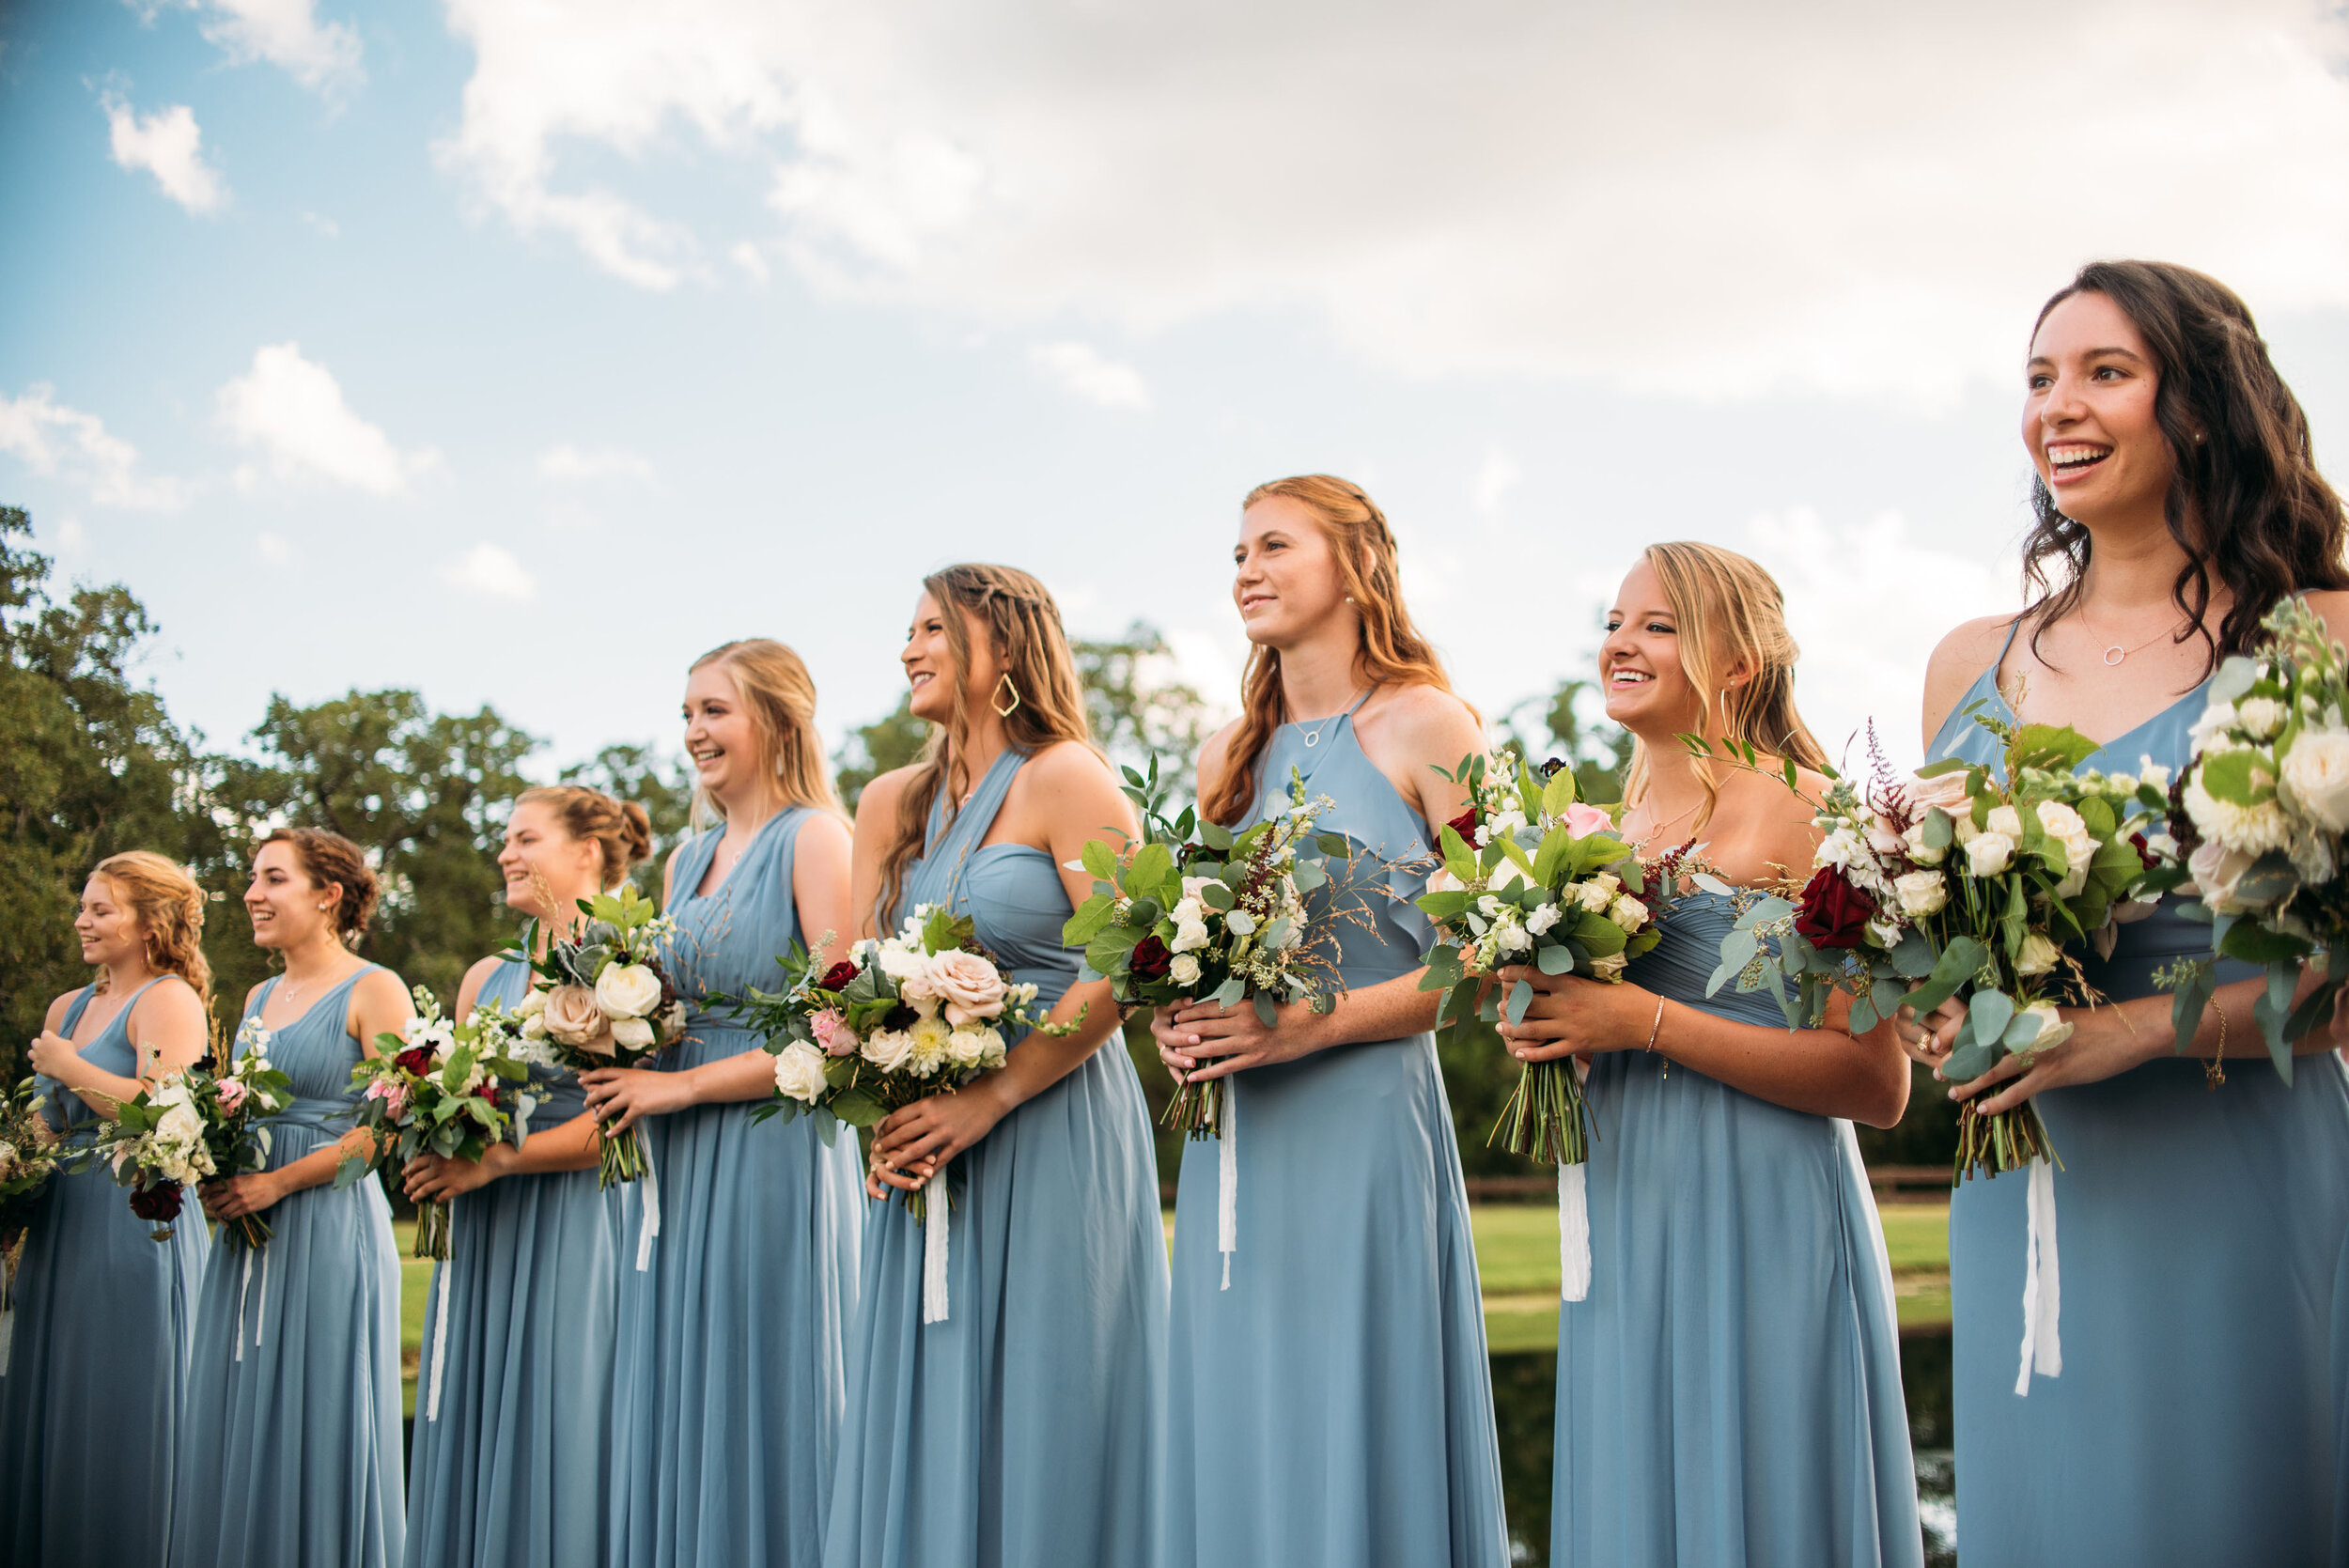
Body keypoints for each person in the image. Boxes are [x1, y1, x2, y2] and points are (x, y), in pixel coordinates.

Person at [1907, 259, 2349, 1565]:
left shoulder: (2316, 634)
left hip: (2238, 1169)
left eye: (2106, 371)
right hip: (2028, 1184)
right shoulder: (1969, 660)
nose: (2059, 406)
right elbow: (1936, 924)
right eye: (2041, 378)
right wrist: (1942, 1012)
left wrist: (2131, 1030)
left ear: (2201, 404)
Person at [1501, 544, 1921, 1568]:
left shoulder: (1814, 811)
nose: (1620, 644)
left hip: (1760, 1205)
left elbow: (1876, 1083)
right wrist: (1551, 1028)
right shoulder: (1605, 830)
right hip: (1628, 1191)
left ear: (1739, 662)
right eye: (1613, 621)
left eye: (1658, 623)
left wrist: (1636, 1022)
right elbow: (1604, 1016)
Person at [1154, 476, 1509, 1568]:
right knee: (1239, 1410)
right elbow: (1191, 939)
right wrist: (1178, 1012)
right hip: (1235, 1145)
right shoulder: (1227, 754)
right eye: (1237, 552)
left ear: (1355, 566)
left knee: (1360, 1409)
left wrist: (1317, 1024)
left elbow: (1498, 954)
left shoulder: (1429, 723)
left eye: (1273, 546)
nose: (1245, 571)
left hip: (1363, 1130)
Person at [825, 565, 1167, 1568]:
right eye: (908, 628)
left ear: (1007, 648)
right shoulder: (890, 800)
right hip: (921, 1138)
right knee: (921, 1382)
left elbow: (1129, 958)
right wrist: (870, 1075)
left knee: (1052, 1389)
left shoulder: (1065, 776)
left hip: (1051, 1117)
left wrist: (998, 1090)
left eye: (935, 627)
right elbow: (847, 975)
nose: (909, 646)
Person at [583, 640, 863, 1567]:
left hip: (770, 1141)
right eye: (688, 713)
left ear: (776, 721)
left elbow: (836, 1024)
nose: (694, 731)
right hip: (677, 1150)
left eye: (715, 711)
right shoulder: (685, 857)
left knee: (767, 1372)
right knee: (681, 1373)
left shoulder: (815, 836)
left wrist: (684, 1083)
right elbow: (665, 1008)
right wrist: (600, 1023)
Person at [401, 784, 648, 1568]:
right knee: (474, 1414)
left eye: (524, 838)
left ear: (585, 852)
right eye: (504, 839)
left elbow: (619, 1118)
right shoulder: (486, 976)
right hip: (483, 1231)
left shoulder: (624, 966)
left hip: (577, 1223)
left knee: (565, 1417)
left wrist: (500, 1158)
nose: (505, 852)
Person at [168, 828, 412, 1568]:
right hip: (247, 1227)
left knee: (318, 1411)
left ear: (328, 894)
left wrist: (277, 1181)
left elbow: (383, 1133)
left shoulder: (376, 988)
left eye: (273, 878)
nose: (252, 893)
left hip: (329, 1227)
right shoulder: (255, 995)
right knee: (240, 1400)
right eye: (252, 877)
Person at [0, 852, 214, 1567]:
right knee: (54, 1403)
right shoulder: (68, 1005)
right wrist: (11, 1177)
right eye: (83, 906)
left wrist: (71, 1068)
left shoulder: (167, 998)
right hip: (61, 1229)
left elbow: (165, 1109)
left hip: (133, 1220)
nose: (81, 920)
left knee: (119, 1404)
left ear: (150, 922)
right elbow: (44, 1127)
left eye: (101, 909)